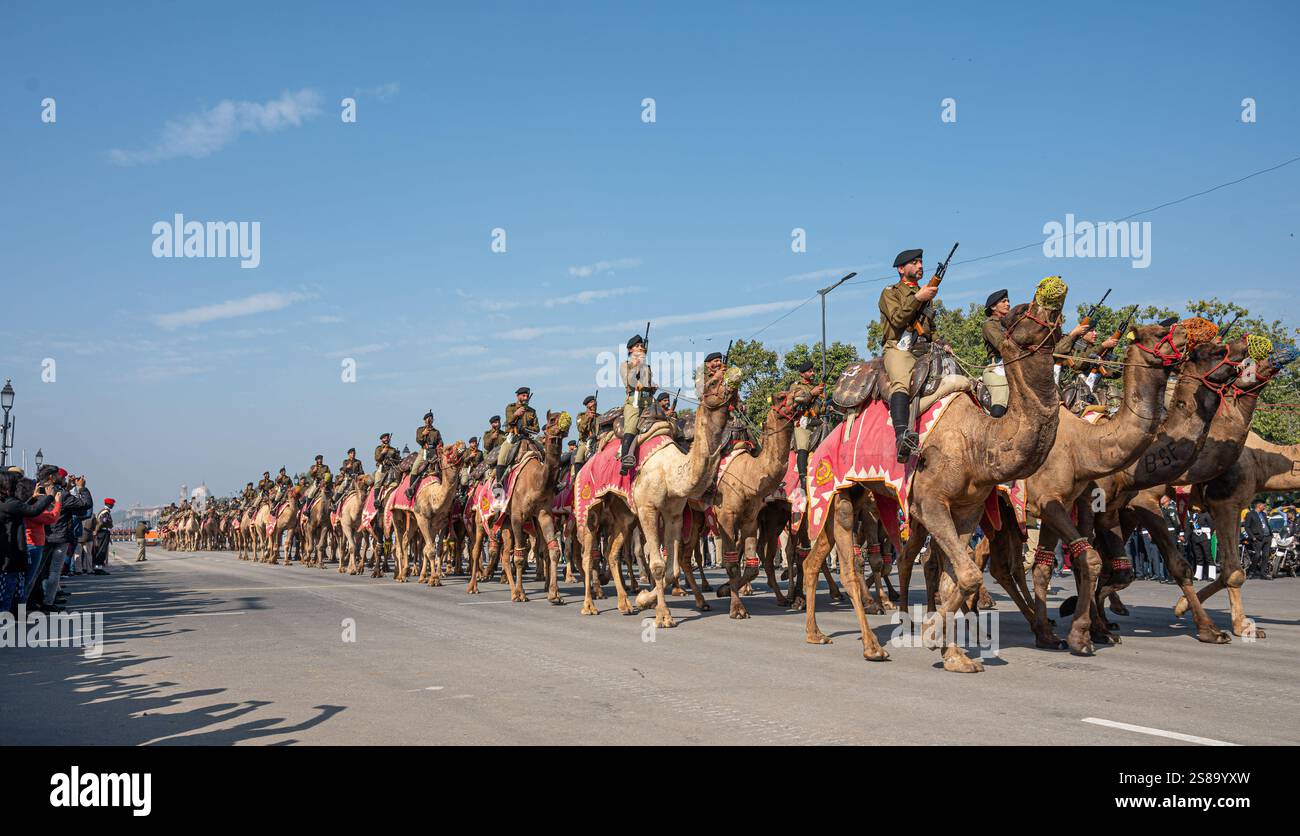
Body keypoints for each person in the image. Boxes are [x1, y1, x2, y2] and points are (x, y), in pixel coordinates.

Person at [878, 248, 940, 462]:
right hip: (899, 348)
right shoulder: (890, 292)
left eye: (921, 262)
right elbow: (897, 320)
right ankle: (902, 436)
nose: (921, 266)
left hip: (924, 348)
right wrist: (918, 298)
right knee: (901, 383)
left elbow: (930, 327)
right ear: (901, 269)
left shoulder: (924, 293)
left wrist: (942, 343)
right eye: (915, 262)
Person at [1, 472, 55, 615]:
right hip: (12, 551)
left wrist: (33, 498)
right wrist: (50, 497)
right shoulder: (8, 503)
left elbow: (22, 508)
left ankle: (10, 613)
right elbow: (32, 511)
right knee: (11, 586)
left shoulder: (7, 503)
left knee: (14, 584)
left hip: (12, 550)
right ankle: (7, 615)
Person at [619, 335, 653, 474]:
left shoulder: (647, 367)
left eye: (641, 346)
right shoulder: (625, 365)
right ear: (630, 350)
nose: (640, 348)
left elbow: (647, 384)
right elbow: (629, 382)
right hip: (633, 402)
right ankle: (625, 459)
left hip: (648, 402)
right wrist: (637, 367)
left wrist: (652, 386)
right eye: (637, 346)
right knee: (632, 426)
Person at [789, 360, 826, 484]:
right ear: (802, 374)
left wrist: (827, 406)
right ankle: (803, 478)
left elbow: (820, 408)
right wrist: (812, 393)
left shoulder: (815, 386)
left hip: (816, 421)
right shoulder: (796, 386)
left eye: (812, 371)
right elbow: (800, 400)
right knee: (803, 446)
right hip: (802, 422)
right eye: (810, 371)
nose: (813, 373)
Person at [496, 388, 540, 483]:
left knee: (545, 452)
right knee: (502, 456)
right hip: (513, 437)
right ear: (518, 396)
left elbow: (537, 429)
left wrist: (526, 429)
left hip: (527, 438)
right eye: (523, 395)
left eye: (527, 396)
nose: (526, 397)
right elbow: (508, 422)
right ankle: (499, 484)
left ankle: (555, 484)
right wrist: (516, 414)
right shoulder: (510, 408)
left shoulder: (532, 411)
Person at [981, 289, 1012, 417]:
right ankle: (994, 427)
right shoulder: (989, 325)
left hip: (1017, 366)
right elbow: (1002, 346)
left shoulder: (1014, 324)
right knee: (1002, 393)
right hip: (997, 368)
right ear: (993, 306)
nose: (1008, 304)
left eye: (1008, 301)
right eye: (1003, 301)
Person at [408, 411, 444, 499]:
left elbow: (441, 442)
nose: (430, 420)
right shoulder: (420, 429)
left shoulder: (436, 432)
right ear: (425, 420)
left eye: (431, 418)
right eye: (428, 418)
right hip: (424, 452)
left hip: (434, 453)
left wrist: (440, 447)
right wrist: (423, 434)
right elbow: (418, 440)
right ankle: (411, 490)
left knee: (443, 468)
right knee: (415, 468)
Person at [1244, 500, 1271, 578]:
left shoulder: (1263, 514)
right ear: (1259, 505)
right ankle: (1251, 571)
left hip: (1267, 537)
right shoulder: (1250, 514)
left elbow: (1266, 524)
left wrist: (1270, 535)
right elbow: (1247, 527)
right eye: (1264, 505)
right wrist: (1253, 537)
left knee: (1266, 556)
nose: (1264, 507)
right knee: (1257, 555)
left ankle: (1263, 573)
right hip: (1258, 538)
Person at [373, 433, 401, 501]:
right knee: (377, 481)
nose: (386, 439)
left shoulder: (393, 449)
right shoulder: (379, 449)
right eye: (385, 438)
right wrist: (383, 452)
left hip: (392, 469)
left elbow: (398, 461)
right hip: (382, 469)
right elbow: (377, 459)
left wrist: (396, 458)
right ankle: (376, 500)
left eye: (387, 438)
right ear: (381, 440)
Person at [91, 498, 115, 575]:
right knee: (102, 550)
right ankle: (98, 568)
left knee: (101, 549)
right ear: (109, 504)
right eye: (112, 504)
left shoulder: (103, 511)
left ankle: (98, 567)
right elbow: (102, 522)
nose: (113, 505)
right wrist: (96, 531)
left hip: (103, 532)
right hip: (103, 532)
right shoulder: (105, 512)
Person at [575, 395, 598, 465]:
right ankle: (577, 475)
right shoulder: (581, 416)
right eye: (591, 402)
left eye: (595, 402)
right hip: (585, 443)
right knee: (579, 457)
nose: (594, 404)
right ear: (587, 405)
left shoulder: (599, 417)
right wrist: (588, 418)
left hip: (597, 441)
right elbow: (580, 429)